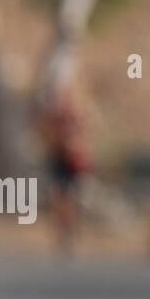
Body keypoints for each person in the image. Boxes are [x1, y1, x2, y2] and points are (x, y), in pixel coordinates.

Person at [38, 83, 90, 255]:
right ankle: (62, 232)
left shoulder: (74, 116)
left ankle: (69, 231)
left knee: (70, 197)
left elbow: (81, 134)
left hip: (70, 160)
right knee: (58, 197)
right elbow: (45, 134)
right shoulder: (54, 117)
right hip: (57, 158)